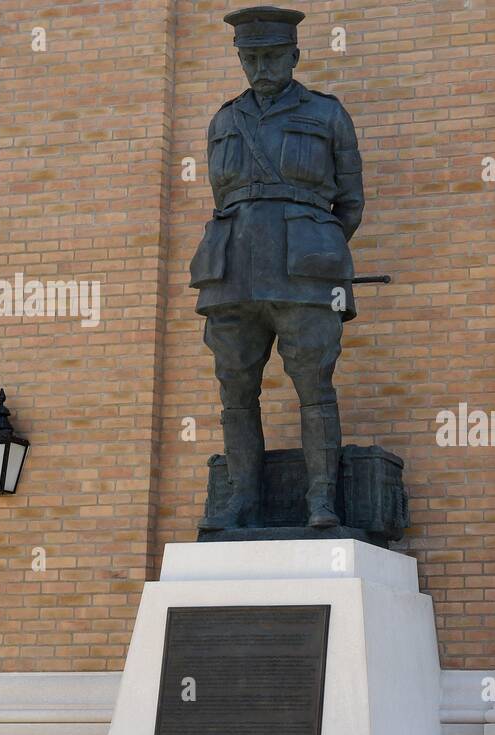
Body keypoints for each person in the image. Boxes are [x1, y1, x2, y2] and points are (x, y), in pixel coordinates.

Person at [190, 6, 365, 531]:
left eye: (271, 56)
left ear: (294, 55)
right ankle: (241, 499)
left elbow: (350, 204)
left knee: (315, 387)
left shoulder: (327, 114)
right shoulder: (224, 119)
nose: (261, 67)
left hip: (305, 273)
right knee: (235, 390)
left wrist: (315, 251)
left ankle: (321, 500)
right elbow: (225, 199)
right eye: (250, 57)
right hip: (231, 274)